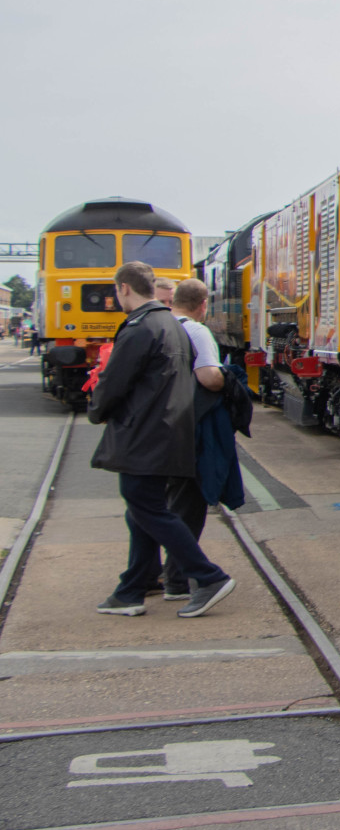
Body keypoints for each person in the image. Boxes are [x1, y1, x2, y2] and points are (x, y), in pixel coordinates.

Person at [88, 261, 235, 618]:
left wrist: (96, 409)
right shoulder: (171, 323)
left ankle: (207, 575)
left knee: (146, 505)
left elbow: (115, 382)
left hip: (143, 432)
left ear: (124, 287)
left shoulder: (139, 328)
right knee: (143, 508)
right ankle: (131, 590)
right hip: (168, 429)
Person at [163, 279, 242, 601]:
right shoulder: (196, 331)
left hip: (159, 427)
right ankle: (178, 579)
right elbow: (209, 377)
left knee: (162, 503)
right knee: (189, 504)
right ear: (203, 304)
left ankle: (148, 576)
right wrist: (228, 379)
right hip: (188, 427)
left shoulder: (160, 326)